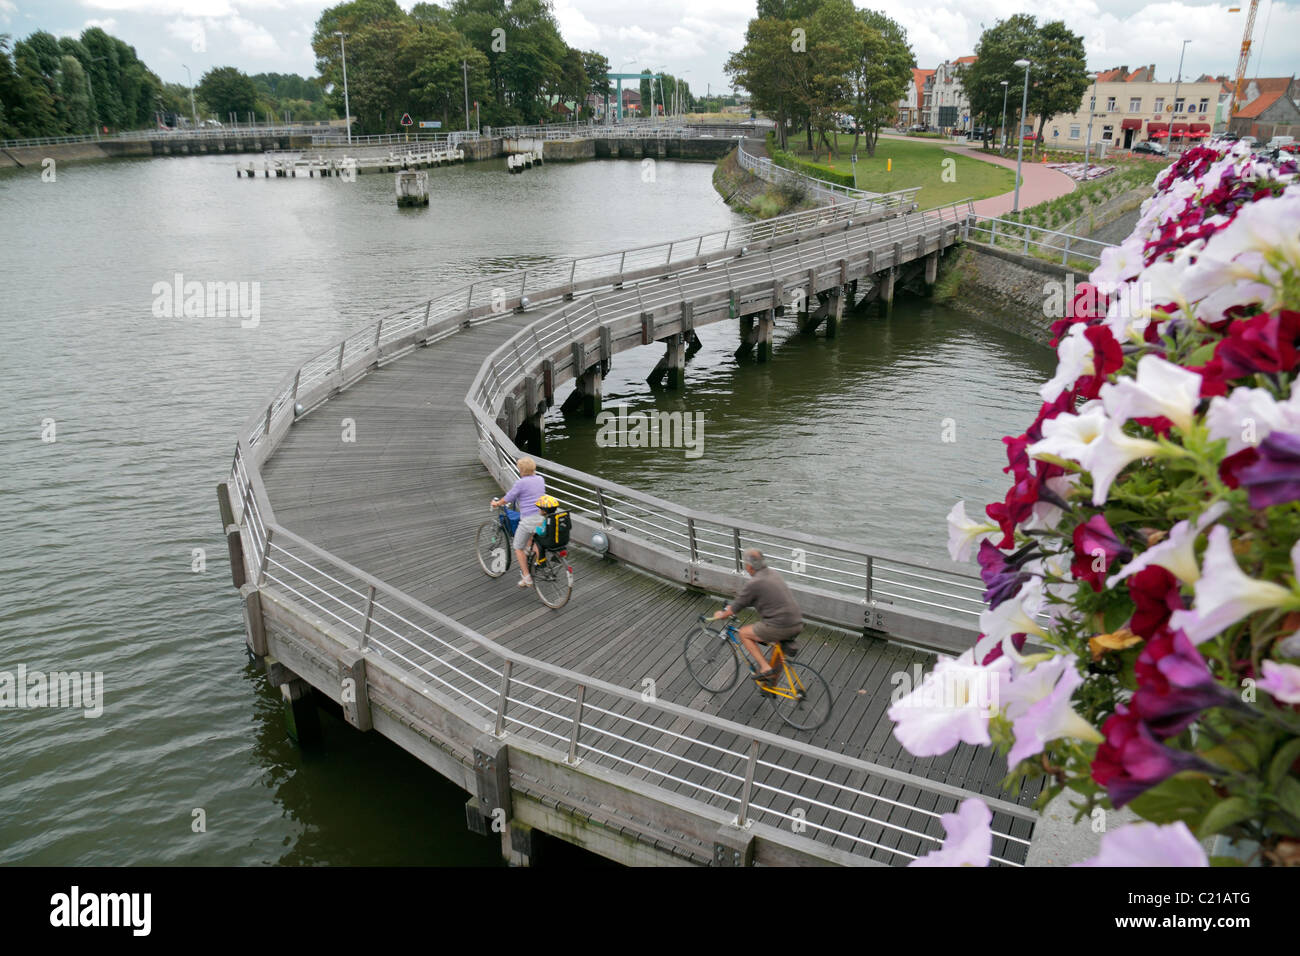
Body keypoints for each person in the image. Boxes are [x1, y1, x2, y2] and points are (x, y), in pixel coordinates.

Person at [713, 548, 803, 682]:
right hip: (796, 622)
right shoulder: (773, 573)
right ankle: (771, 686)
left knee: (744, 633)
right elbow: (755, 599)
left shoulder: (754, 583)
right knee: (777, 650)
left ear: (749, 566)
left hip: (779, 626)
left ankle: (765, 668)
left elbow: (735, 608)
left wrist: (721, 614)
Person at [490, 457, 545, 588]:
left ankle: (527, 577)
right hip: (541, 519)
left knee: (517, 547)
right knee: (531, 540)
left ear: (521, 470)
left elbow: (508, 498)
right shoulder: (540, 479)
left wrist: (497, 503)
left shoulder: (521, 483)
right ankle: (540, 563)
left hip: (528, 520)